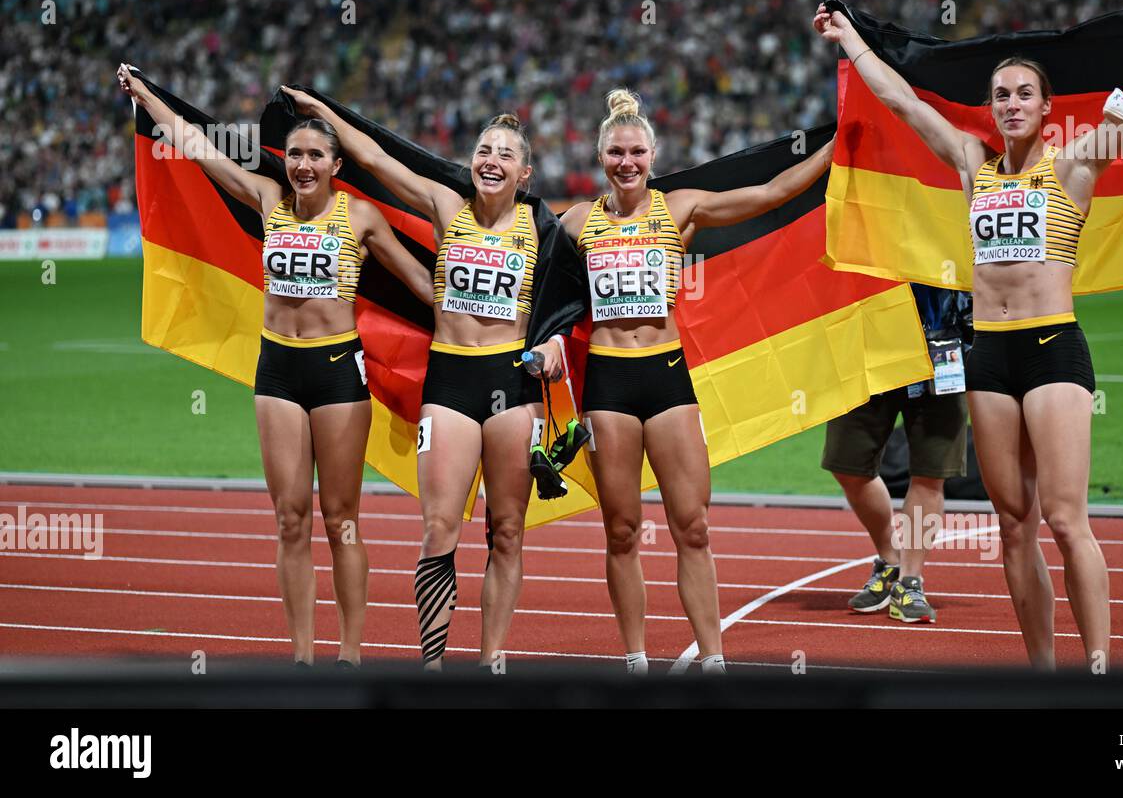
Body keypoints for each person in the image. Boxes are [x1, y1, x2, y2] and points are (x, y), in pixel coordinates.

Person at [813, 0, 1123, 669]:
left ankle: (1099, 667)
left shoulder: (1074, 165)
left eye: (1022, 94)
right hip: (989, 356)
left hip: (1051, 349)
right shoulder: (970, 163)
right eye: (1001, 96)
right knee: (1013, 527)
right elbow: (898, 99)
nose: (1010, 104)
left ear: (1045, 109)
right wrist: (848, 39)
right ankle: (1042, 672)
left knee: (1066, 520)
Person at [119, 64, 440, 667]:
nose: (304, 166)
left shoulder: (361, 219)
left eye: (317, 155)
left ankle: (348, 655)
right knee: (291, 521)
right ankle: (302, 658)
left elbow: (421, 282)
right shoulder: (269, 199)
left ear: (335, 165)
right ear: (284, 160)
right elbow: (197, 148)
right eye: (295, 155)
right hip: (278, 372)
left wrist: (496, 320)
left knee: (341, 520)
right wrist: (146, 98)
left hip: (339, 372)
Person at [280, 87, 577, 672]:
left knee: (508, 531)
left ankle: (492, 660)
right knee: (439, 527)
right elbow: (374, 159)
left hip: (512, 383)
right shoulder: (446, 205)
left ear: (525, 173)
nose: (491, 160)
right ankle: (433, 667)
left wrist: (555, 341)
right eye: (483, 150)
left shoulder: (544, 226)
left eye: (505, 155)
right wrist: (324, 112)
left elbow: (564, 299)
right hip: (450, 381)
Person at [560, 89, 839, 675]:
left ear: (653, 155)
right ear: (601, 157)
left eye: (636, 151)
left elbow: (770, 194)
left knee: (693, 525)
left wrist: (839, 148)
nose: (626, 162)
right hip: (607, 384)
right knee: (622, 530)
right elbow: (530, 276)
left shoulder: (680, 209)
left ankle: (713, 658)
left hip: (665, 377)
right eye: (616, 152)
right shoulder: (577, 221)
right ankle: (636, 657)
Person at [824, 284, 972, 624]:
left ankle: (910, 580)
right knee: (847, 464)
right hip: (865, 345)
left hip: (941, 341)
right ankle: (890, 558)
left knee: (931, 470)